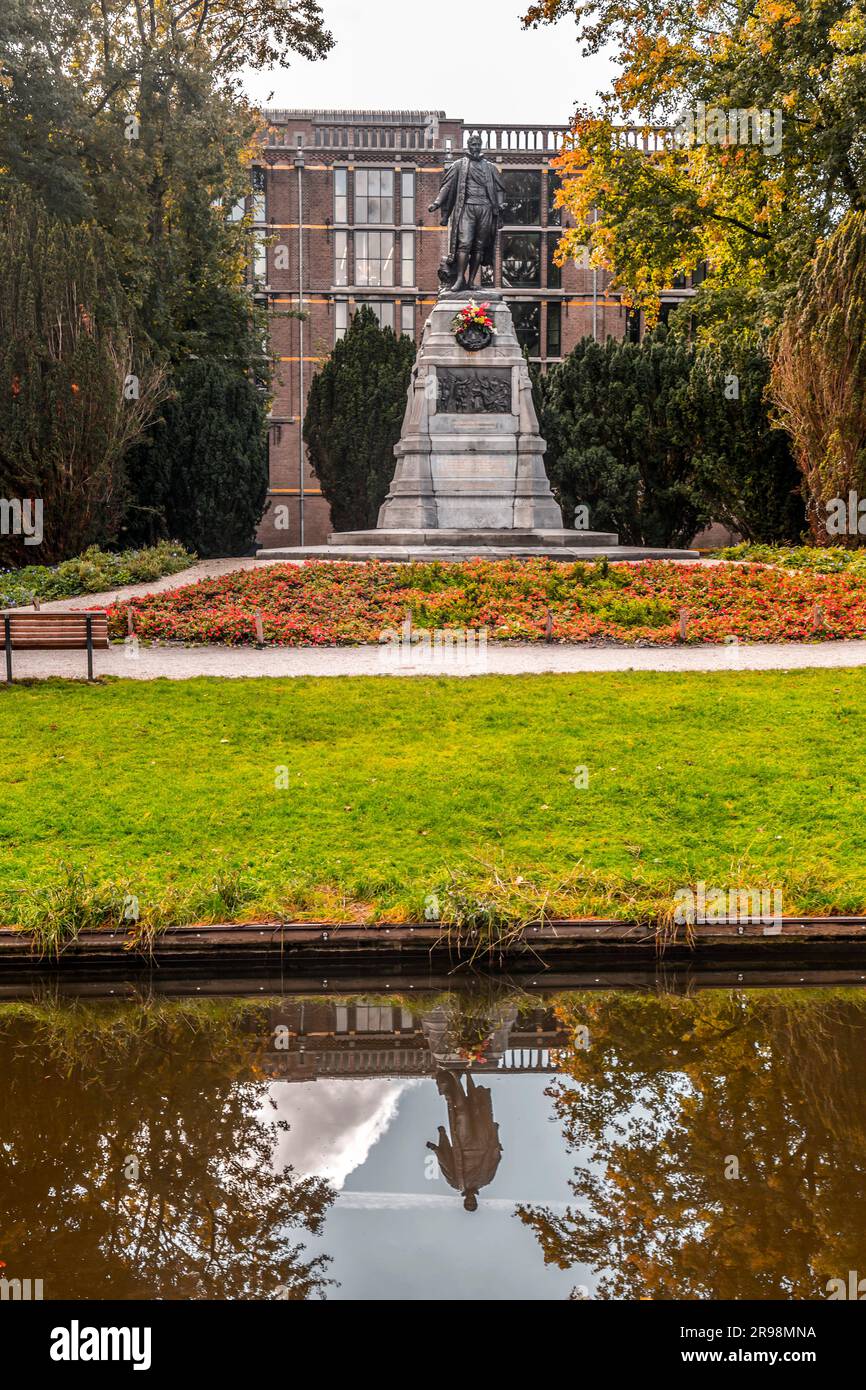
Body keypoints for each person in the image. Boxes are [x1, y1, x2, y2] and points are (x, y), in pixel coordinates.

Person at [428, 133, 506, 292]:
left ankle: (471, 281)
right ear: (468, 146)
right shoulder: (459, 165)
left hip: (485, 209)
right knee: (464, 244)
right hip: (467, 208)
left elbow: (499, 188)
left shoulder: (490, 167)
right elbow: (447, 186)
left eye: (478, 144)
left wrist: (498, 204)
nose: (476, 147)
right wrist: (437, 203)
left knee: (479, 247)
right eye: (473, 144)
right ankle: (459, 280)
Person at [426, 1068, 503, 1211]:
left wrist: (436, 1148)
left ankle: (456, 1080)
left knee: (461, 1114)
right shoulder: (486, 1180)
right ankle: (463, 1077)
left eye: (468, 1204)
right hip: (482, 1142)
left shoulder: (457, 1183)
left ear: (464, 1202)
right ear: (476, 1202)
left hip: (464, 1144)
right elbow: (495, 1159)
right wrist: (495, 1137)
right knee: (476, 1110)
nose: (470, 1201)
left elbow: (446, 1165)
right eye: (473, 1203)